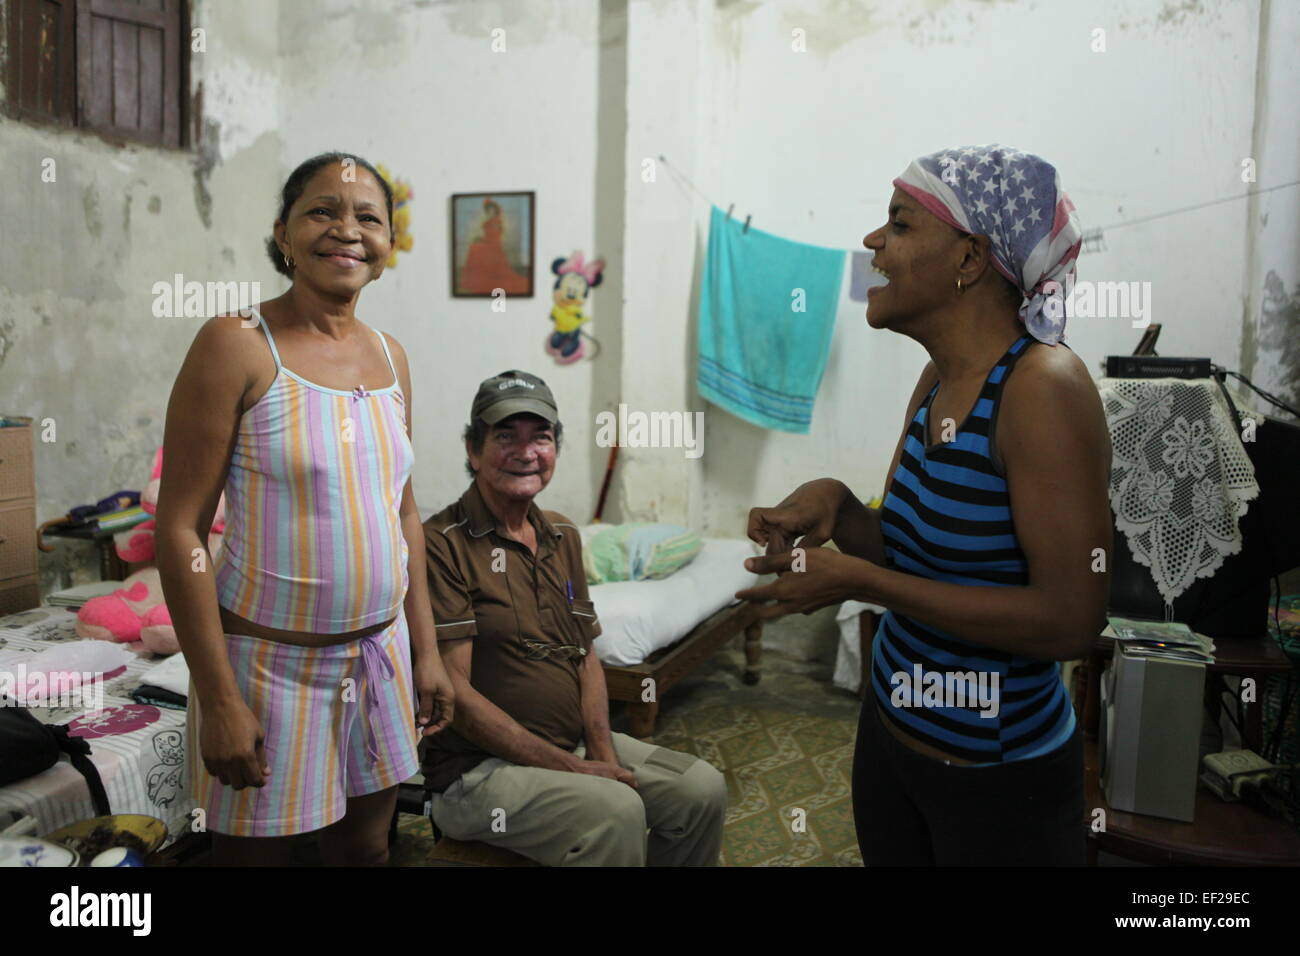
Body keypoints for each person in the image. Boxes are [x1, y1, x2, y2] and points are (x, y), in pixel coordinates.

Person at [739, 145, 1111, 866]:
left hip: (996, 779)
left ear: (970, 257)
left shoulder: (1042, 388)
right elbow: (911, 558)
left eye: (900, 224)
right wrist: (841, 509)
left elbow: (1071, 618)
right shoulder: (937, 380)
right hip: (890, 735)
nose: (874, 243)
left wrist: (861, 583)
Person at [156, 151, 454, 866]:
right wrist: (220, 697)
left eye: (367, 217)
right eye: (322, 210)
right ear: (283, 234)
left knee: (366, 851)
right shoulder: (236, 345)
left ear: (385, 250)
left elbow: (404, 517)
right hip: (267, 669)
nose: (345, 230)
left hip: (377, 662)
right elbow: (179, 528)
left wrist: (428, 652)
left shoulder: (392, 357)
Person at [421, 370, 727, 866]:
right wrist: (572, 769)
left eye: (540, 437)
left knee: (699, 788)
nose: (526, 452)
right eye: (505, 436)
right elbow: (457, 695)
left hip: (574, 747)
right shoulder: (441, 544)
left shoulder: (561, 535)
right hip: (477, 774)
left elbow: (584, 652)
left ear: (555, 449)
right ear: (473, 450)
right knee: (615, 810)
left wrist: (601, 753)